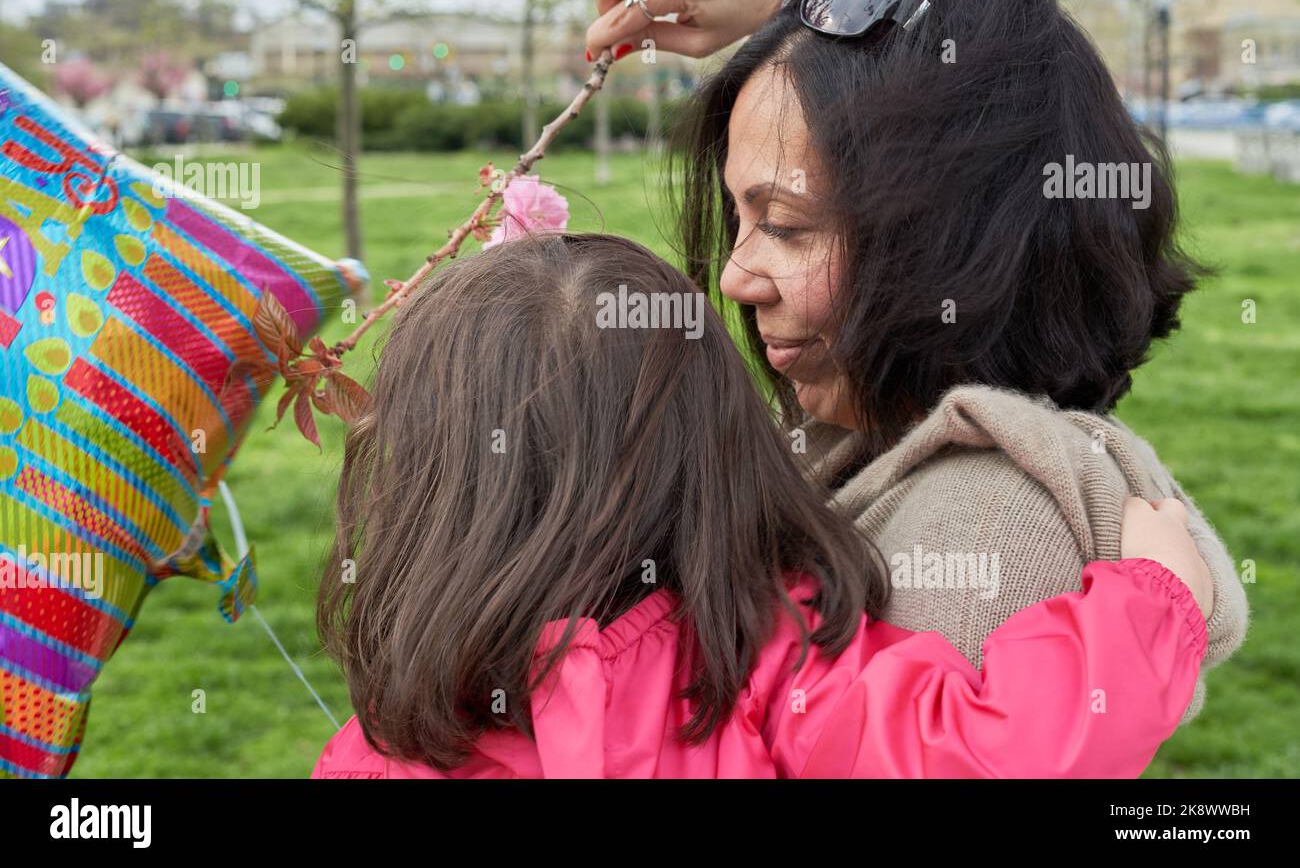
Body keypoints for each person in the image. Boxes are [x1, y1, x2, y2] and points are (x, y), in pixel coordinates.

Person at [584, 0, 1248, 720]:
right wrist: (802, 1)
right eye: (739, 219)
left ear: (956, 240)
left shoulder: (980, 530)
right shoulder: (880, 436)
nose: (732, 275)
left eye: (788, 226)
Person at [313, 233, 1210, 779]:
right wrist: (1151, 599)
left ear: (427, 487)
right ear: (719, 443)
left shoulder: (385, 749)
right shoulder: (776, 660)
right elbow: (1004, 755)